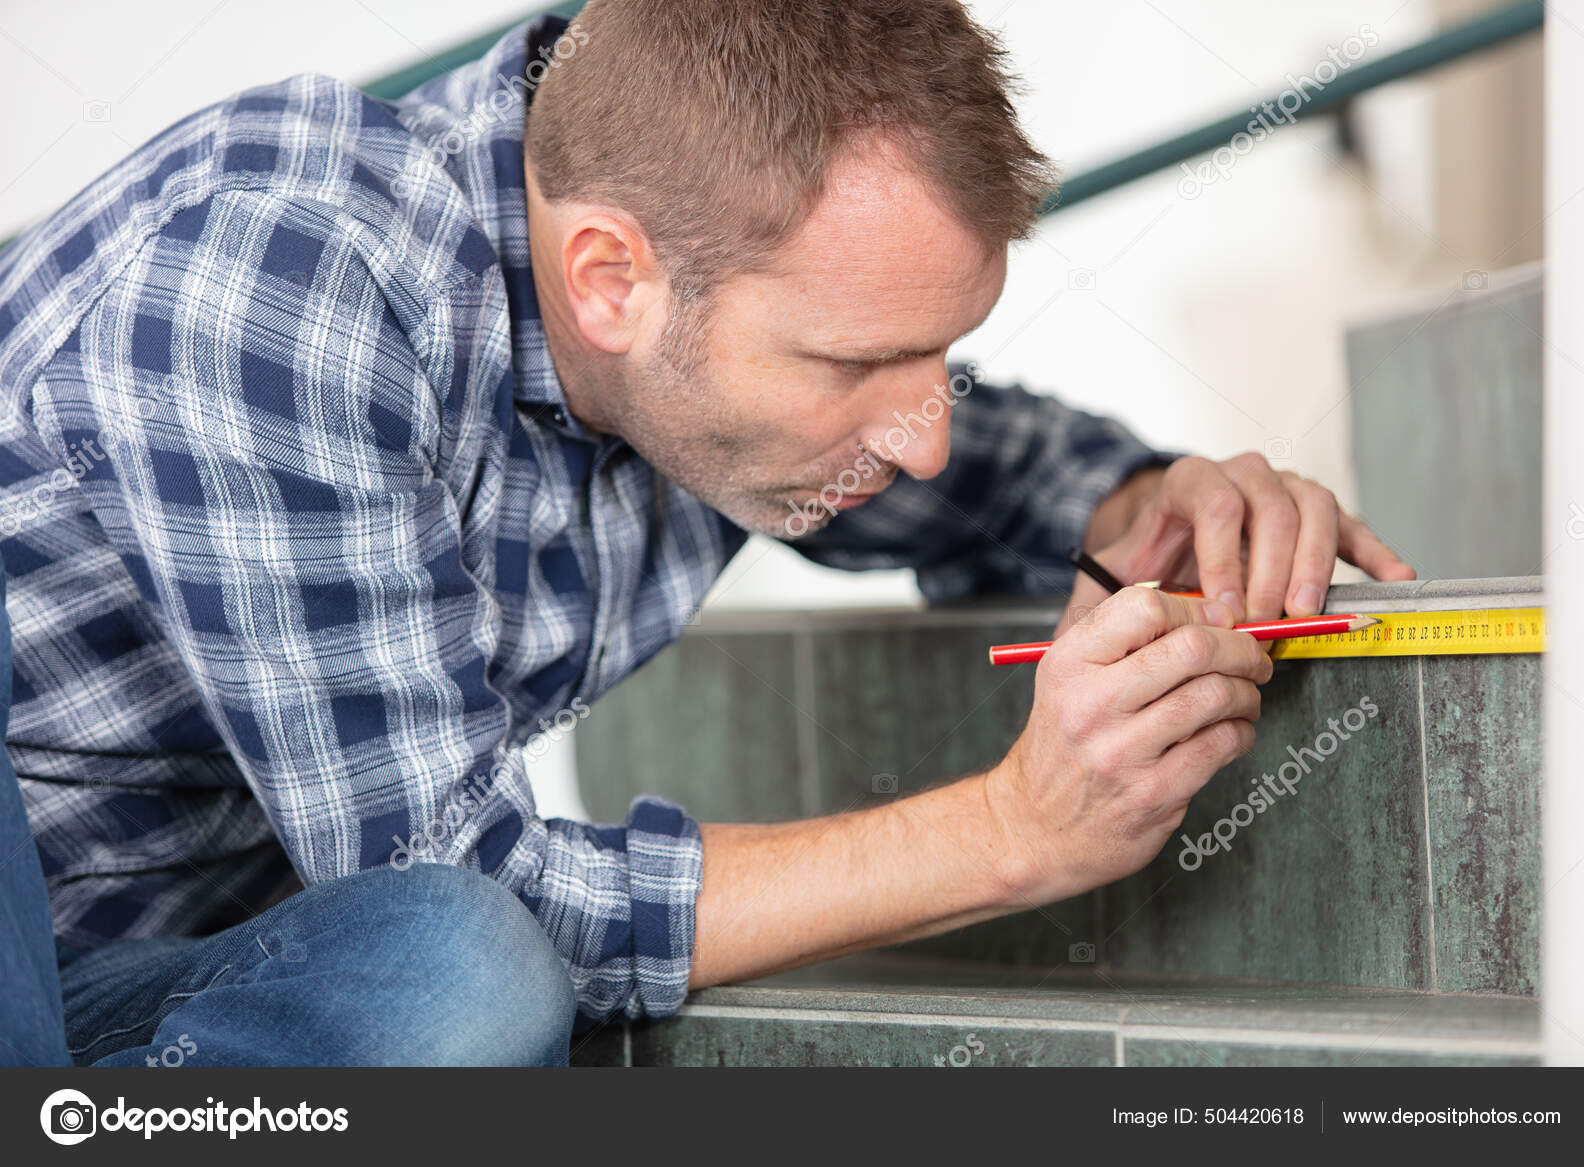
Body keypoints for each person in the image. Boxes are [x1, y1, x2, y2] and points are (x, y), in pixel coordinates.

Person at [0, 0, 1413, 1067]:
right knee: (467, 936)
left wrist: (1148, 501)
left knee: (457, 979)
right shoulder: (273, 281)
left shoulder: (682, 308)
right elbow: (465, 865)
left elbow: (969, 459)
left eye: (941, 353)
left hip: (135, 996)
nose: (920, 429)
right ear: (609, 277)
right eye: (856, 365)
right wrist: (1012, 830)